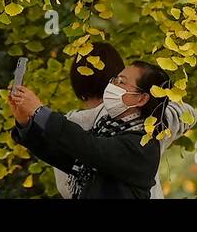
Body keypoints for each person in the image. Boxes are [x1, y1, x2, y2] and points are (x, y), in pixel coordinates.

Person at [9, 60, 173, 199]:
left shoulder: (143, 145)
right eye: (115, 79)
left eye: (121, 82)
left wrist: (39, 111)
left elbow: (89, 147)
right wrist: (25, 121)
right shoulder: (106, 129)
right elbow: (65, 154)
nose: (113, 85)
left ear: (142, 98)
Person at [55, 43, 195, 199]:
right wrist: (156, 105)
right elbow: (189, 113)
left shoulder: (64, 130)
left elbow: (65, 189)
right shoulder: (144, 125)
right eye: (118, 79)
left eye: (121, 80)